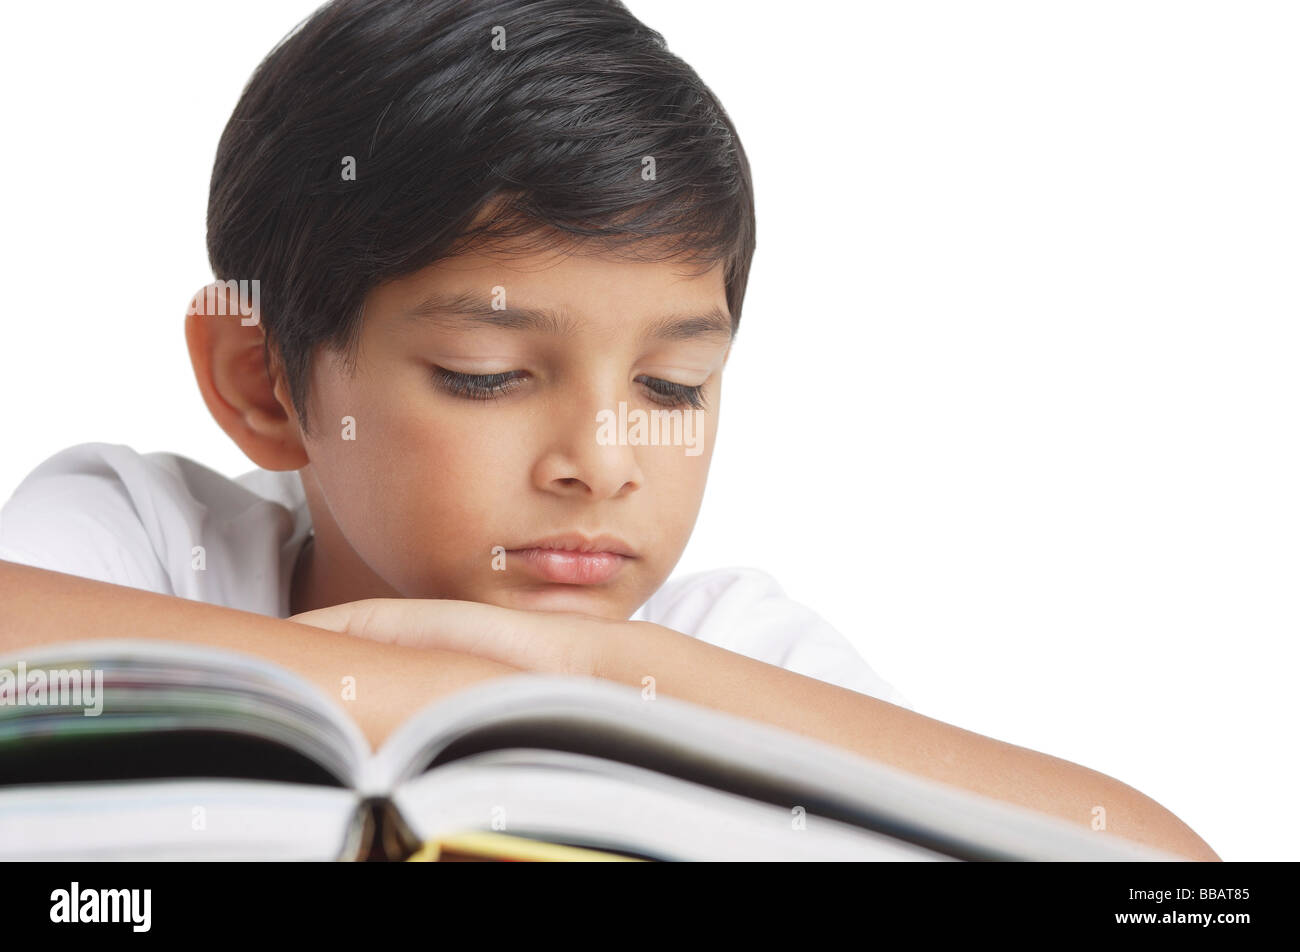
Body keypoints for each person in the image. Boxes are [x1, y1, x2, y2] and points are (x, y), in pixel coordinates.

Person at [0, 0, 1217, 860]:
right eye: (485, 374)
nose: (605, 462)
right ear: (265, 381)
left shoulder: (726, 648)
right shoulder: (146, 538)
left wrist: (586, 676)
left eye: (675, 387)